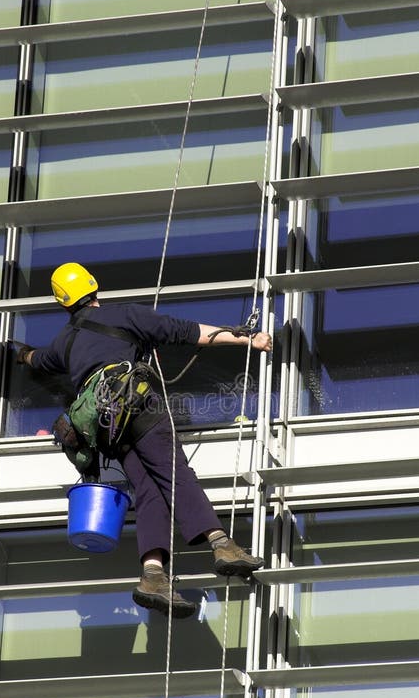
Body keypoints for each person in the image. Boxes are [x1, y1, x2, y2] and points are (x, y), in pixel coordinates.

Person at [17, 262, 272, 619]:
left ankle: (153, 574)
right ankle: (222, 545)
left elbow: (38, 360)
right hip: (138, 406)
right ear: (94, 288)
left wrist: (21, 353)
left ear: (63, 302)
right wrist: (248, 338)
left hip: (106, 429)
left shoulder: (64, 342)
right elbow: (184, 331)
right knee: (174, 472)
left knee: (149, 489)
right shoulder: (123, 316)